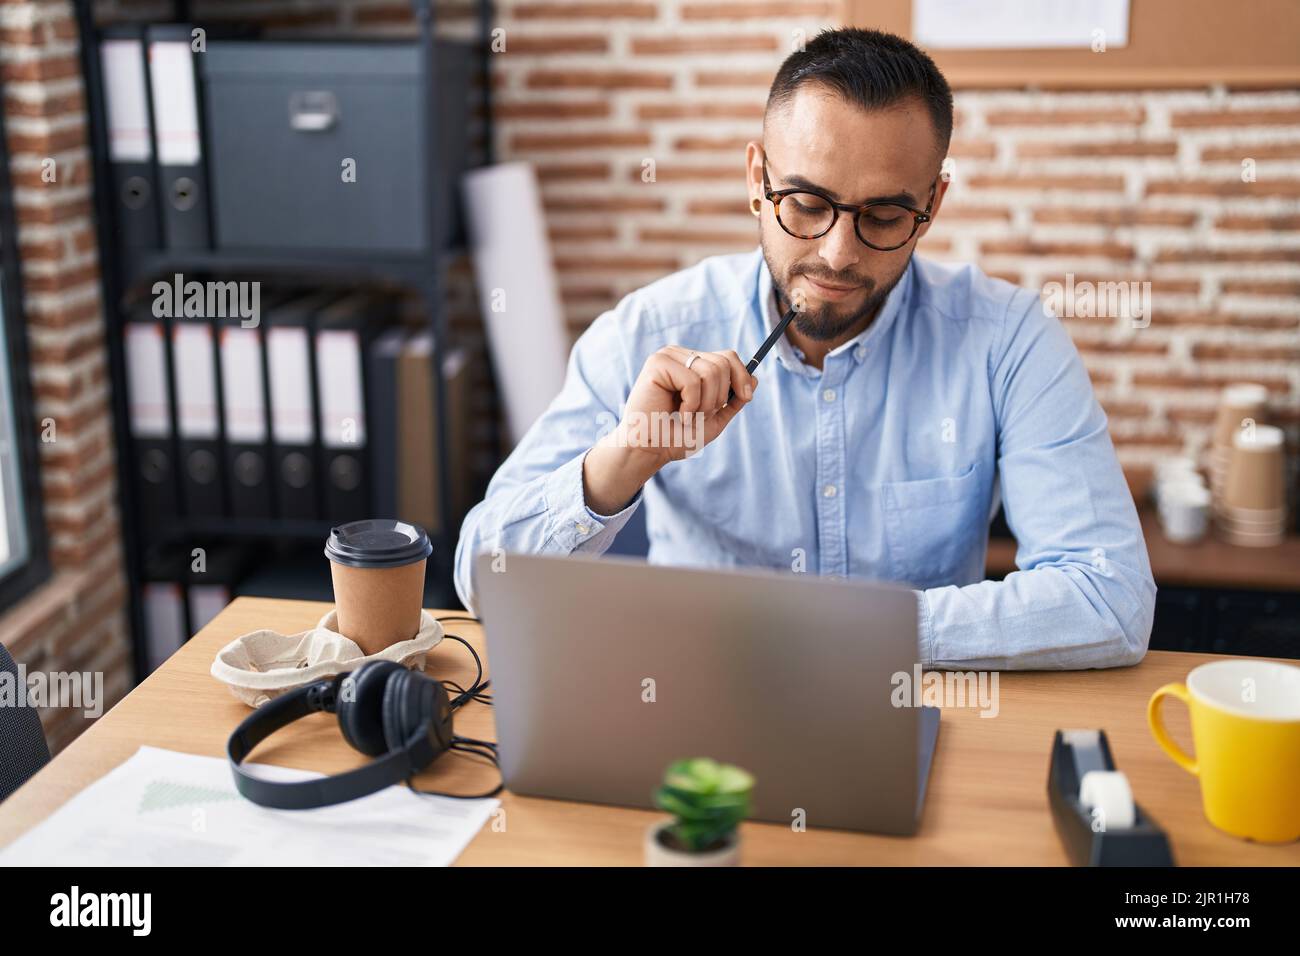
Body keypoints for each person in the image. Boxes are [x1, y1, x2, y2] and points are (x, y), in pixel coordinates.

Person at [454, 27, 1155, 669]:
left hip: (915, 714)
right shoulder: (647, 330)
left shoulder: (1008, 339)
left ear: (932, 205)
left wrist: (847, 633)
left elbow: (1111, 599)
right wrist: (625, 459)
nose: (837, 253)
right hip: (697, 722)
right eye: (807, 204)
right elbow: (483, 579)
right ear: (757, 179)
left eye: (883, 215)